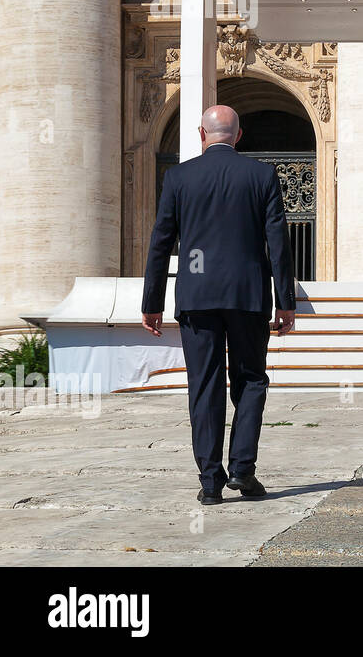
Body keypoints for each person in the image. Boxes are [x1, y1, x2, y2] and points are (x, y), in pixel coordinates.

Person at [141, 105, 296, 506]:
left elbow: (161, 242)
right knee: (251, 380)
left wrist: (152, 301)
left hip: (197, 297)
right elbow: (278, 243)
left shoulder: (178, 177)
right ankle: (242, 469)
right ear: (239, 136)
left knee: (204, 385)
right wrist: (287, 302)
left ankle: (210, 481)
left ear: (200, 134)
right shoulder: (262, 175)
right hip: (247, 297)